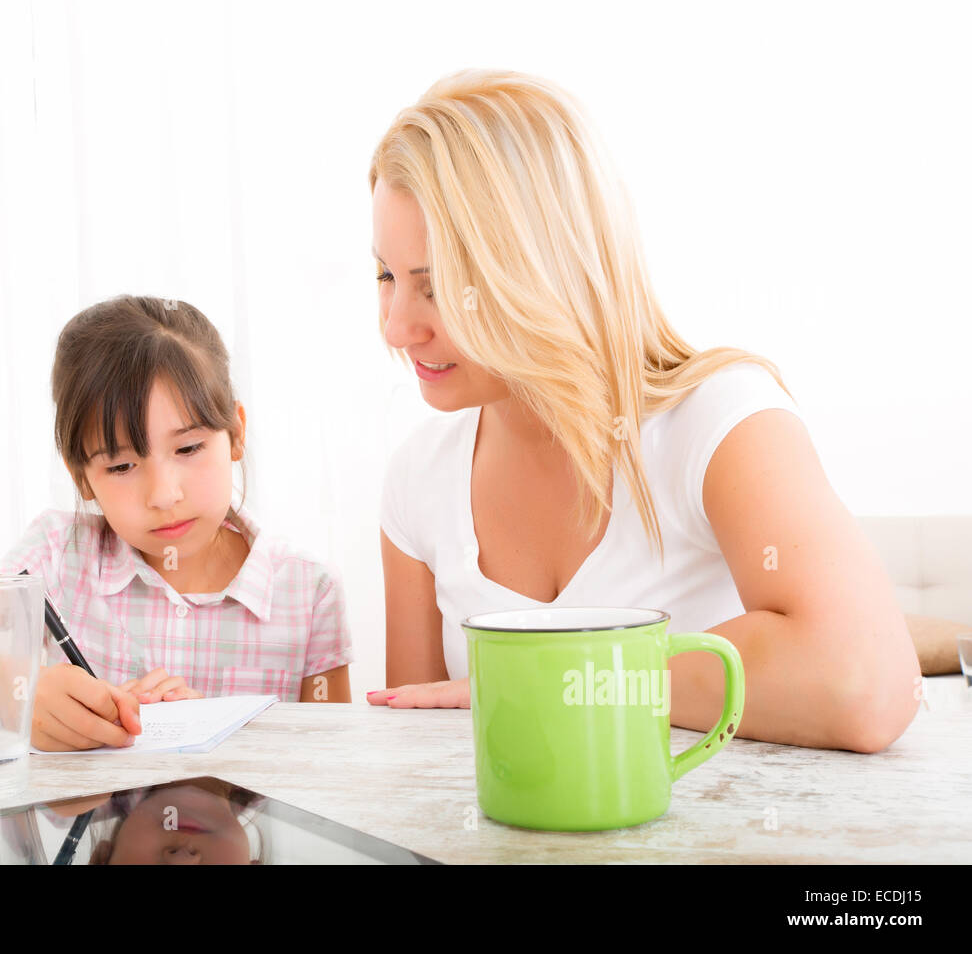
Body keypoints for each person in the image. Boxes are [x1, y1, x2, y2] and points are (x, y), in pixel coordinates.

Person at [363, 69, 919, 753]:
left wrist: (556, 679)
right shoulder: (416, 476)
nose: (394, 327)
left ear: (542, 268)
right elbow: (418, 758)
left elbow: (867, 685)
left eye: (438, 287)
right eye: (386, 275)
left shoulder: (719, 420)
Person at [0, 295, 352, 749]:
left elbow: (327, 770)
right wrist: (17, 693)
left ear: (236, 433)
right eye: (121, 466)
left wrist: (216, 734)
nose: (164, 495)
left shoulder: (308, 593)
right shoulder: (56, 552)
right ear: (81, 476)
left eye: (188, 448)